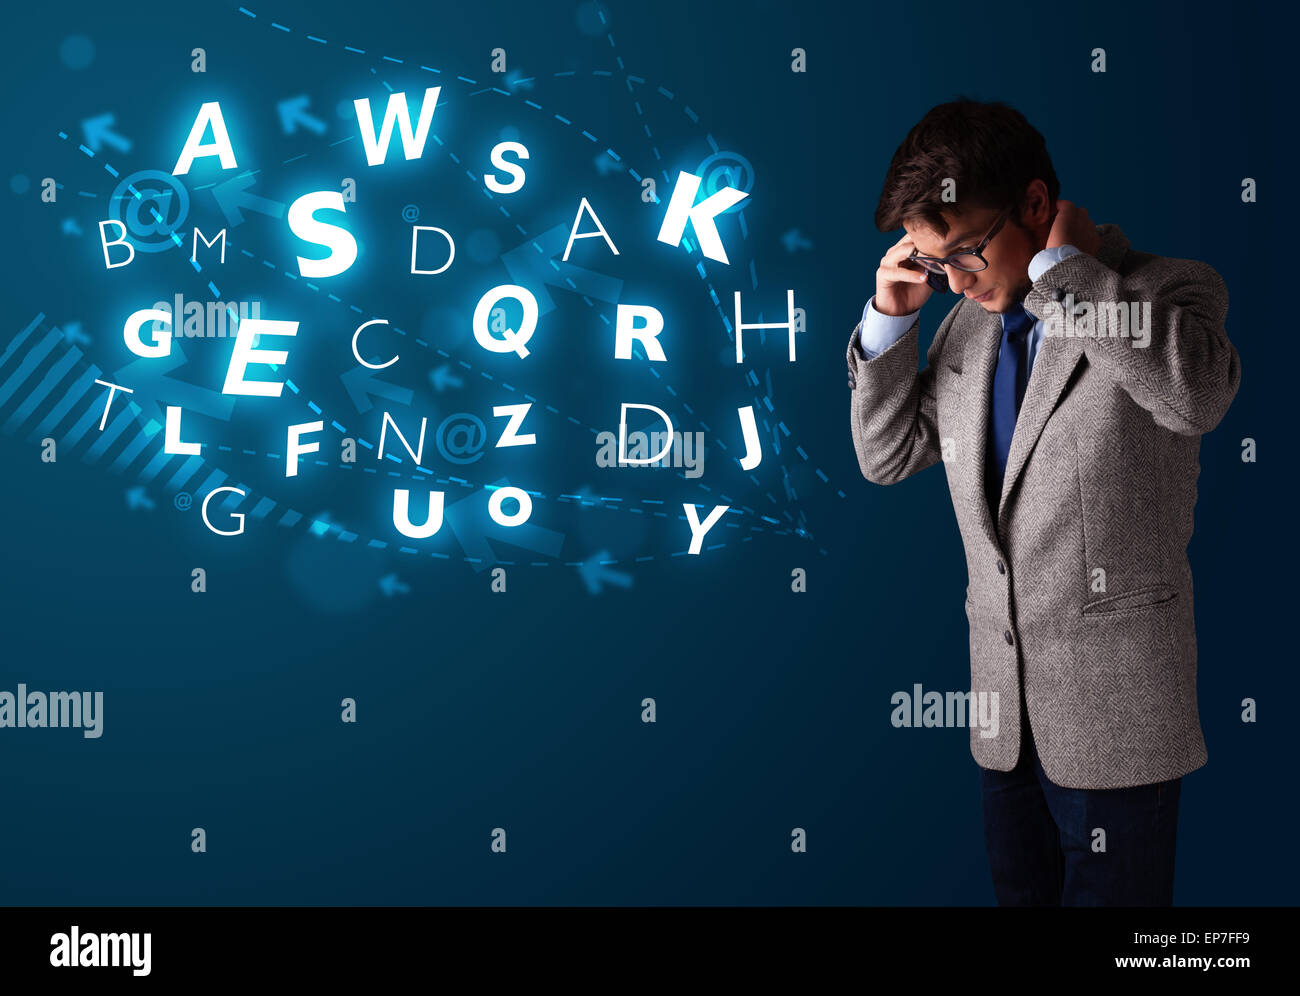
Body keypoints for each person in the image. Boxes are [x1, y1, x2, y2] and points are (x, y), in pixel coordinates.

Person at [846, 99, 1241, 906]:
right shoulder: (963, 329)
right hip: (1003, 720)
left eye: (964, 252)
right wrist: (891, 323)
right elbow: (886, 458)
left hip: (1118, 718)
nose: (955, 279)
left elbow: (1196, 396)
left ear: (1035, 205)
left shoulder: (1166, 291)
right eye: (933, 264)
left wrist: (1065, 278)